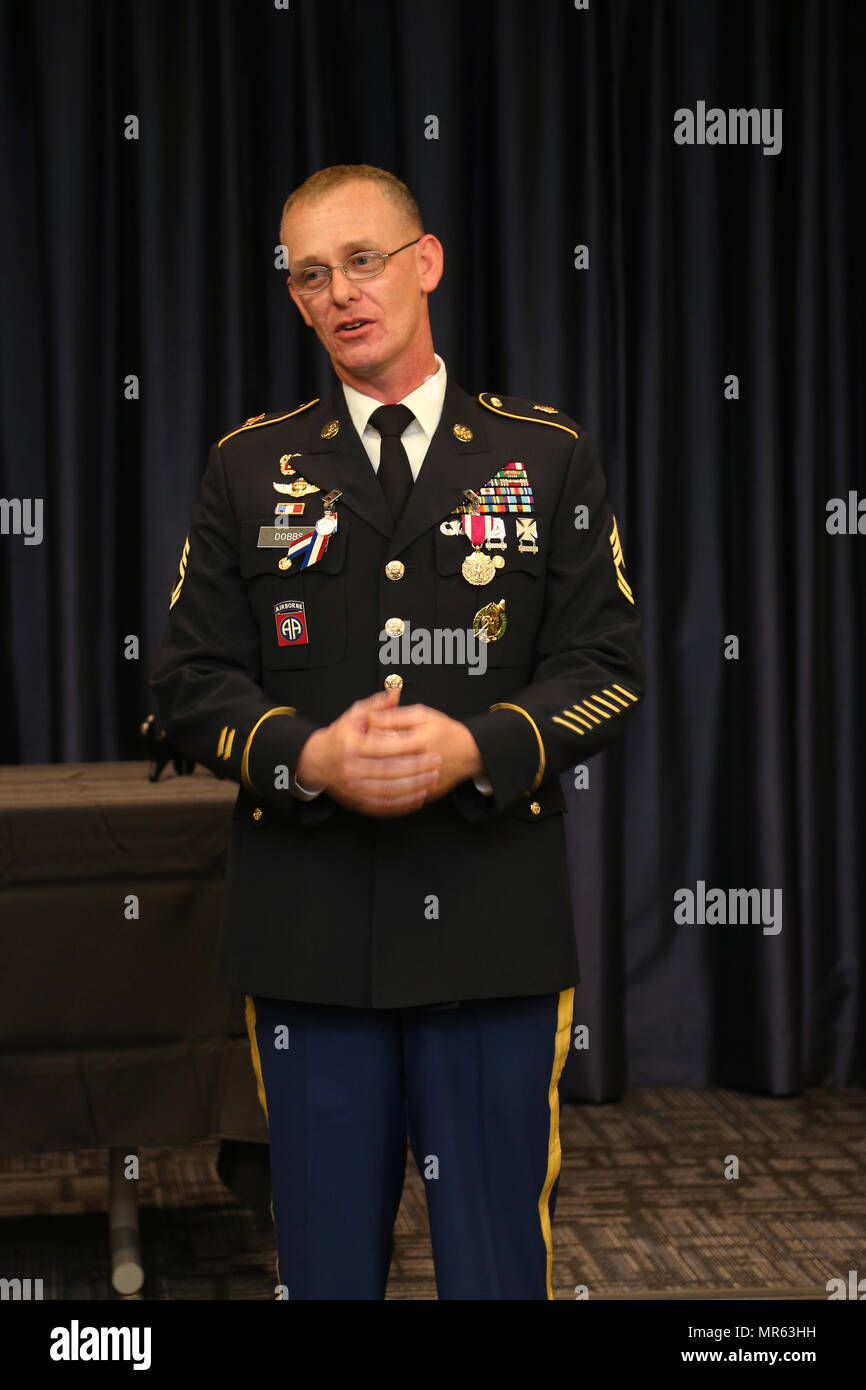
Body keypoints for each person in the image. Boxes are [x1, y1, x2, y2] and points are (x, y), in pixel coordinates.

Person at [150, 163, 645, 1300]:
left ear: (424, 264)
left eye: (361, 260)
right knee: (323, 1271)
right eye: (308, 274)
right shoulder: (248, 465)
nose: (337, 292)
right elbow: (186, 681)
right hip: (308, 934)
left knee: (492, 1269)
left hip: (490, 931)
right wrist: (305, 753)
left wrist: (482, 744)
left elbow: (608, 668)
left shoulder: (541, 456)